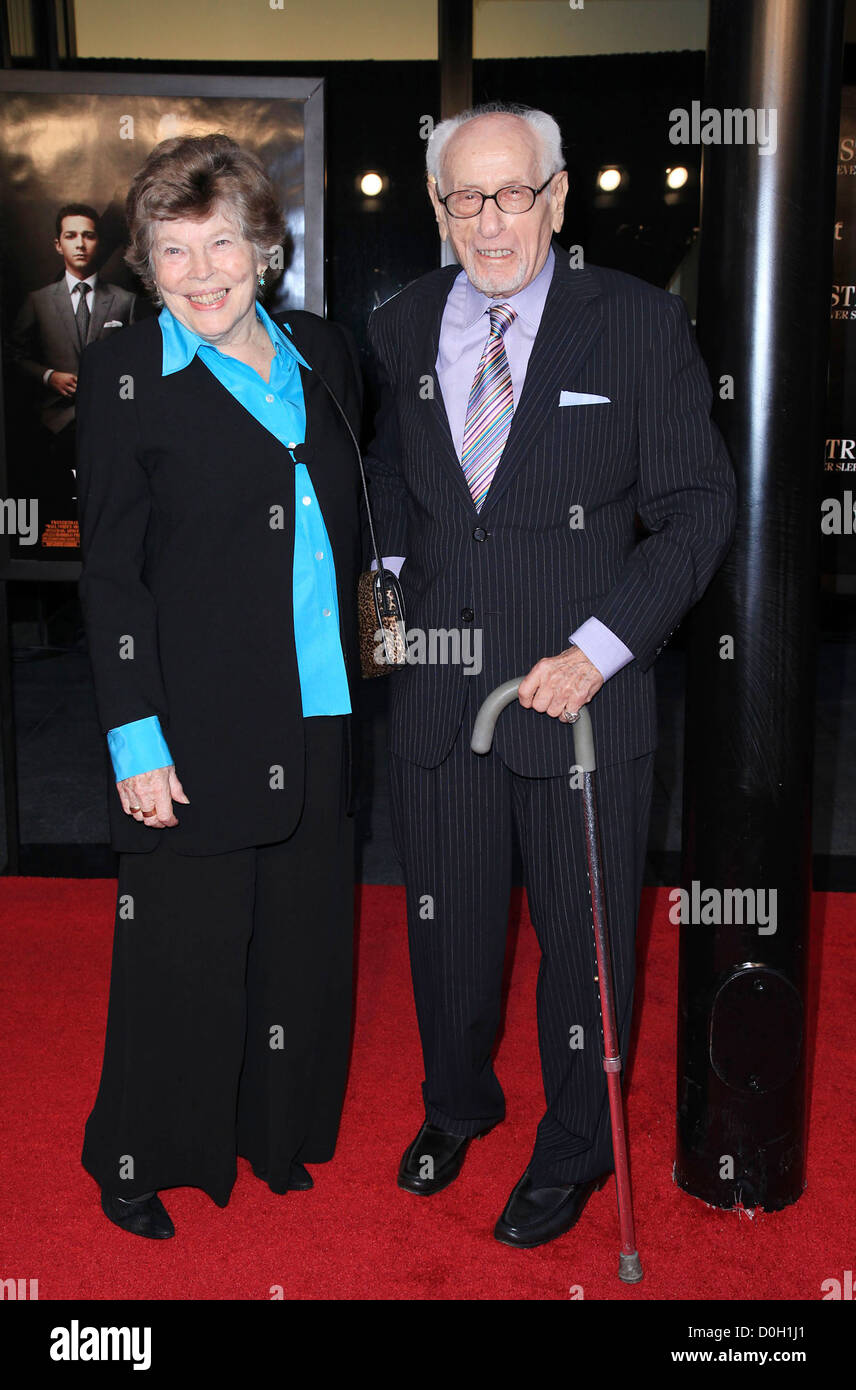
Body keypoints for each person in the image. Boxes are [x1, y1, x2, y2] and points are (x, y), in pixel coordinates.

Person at [364, 102, 737, 1249]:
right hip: (438, 696)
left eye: (511, 193)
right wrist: (383, 599)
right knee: (448, 932)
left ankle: (573, 1147)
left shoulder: (632, 323)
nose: (488, 220)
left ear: (557, 198)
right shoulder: (399, 321)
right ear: (437, 208)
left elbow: (693, 508)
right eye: (463, 197)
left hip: (581, 697)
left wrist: (598, 649)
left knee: (582, 951)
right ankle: (457, 1104)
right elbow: (389, 479)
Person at [75, 134, 364, 1239]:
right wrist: (133, 736)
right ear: (146, 265)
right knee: (181, 950)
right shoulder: (126, 373)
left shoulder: (326, 355)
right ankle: (138, 1155)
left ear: (265, 249)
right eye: (173, 251)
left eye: (222, 244)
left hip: (321, 703)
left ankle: (269, 1131)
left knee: (298, 940)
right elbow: (108, 569)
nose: (202, 273)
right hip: (186, 719)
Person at [7, 205, 137, 520]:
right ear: (58, 244)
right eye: (71, 236)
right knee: (58, 505)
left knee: (108, 509)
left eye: (88, 236)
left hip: (109, 427)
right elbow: (13, 354)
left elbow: (139, 363)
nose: (80, 244)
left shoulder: (124, 300)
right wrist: (48, 376)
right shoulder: (38, 300)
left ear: (99, 242)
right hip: (53, 426)